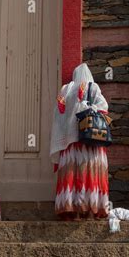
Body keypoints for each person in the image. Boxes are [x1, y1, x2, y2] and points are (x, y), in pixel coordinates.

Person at [50, 63, 110, 220]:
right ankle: (90, 210)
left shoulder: (65, 90)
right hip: (91, 142)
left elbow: (58, 115)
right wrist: (87, 107)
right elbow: (103, 108)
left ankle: (71, 210)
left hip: (69, 144)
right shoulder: (92, 87)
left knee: (72, 177)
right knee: (89, 175)